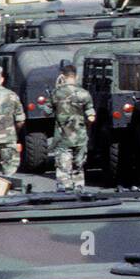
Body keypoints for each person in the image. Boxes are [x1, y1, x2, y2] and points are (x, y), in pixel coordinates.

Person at [50, 60, 96, 192]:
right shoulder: (84, 94)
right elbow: (91, 116)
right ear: (76, 76)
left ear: (63, 76)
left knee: (63, 166)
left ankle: (65, 189)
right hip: (80, 136)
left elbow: (46, 112)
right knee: (79, 165)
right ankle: (79, 187)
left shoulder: (56, 93)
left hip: (62, 136)